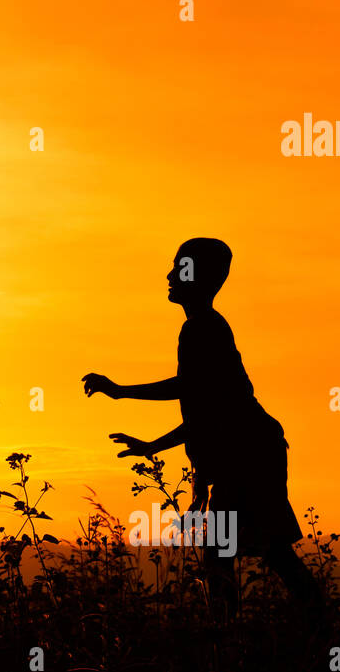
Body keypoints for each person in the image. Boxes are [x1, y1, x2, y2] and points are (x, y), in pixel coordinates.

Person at [82, 238, 322, 619]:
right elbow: (206, 412)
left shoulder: (202, 329)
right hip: (250, 449)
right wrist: (152, 446)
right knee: (251, 550)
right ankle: (313, 626)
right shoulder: (203, 327)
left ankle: (240, 640)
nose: (170, 275)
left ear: (201, 276)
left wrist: (120, 391)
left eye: (180, 268)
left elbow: (190, 389)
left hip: (249, 453)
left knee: (228, 552)